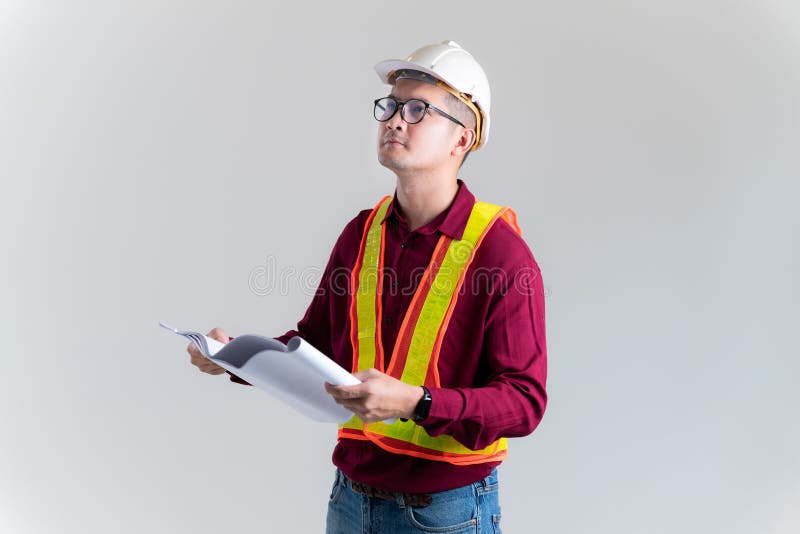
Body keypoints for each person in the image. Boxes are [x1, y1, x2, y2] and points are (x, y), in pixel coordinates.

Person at [187, 40, 547, 533]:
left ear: (462, 140)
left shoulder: (500, 254)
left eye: (418, 109)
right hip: (350, 501)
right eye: (391, 106)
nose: (396, 120)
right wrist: (238, 358)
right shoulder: (363, 232)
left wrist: (417, 402)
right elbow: (313, 347)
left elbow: (524, 402)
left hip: (445, 513)